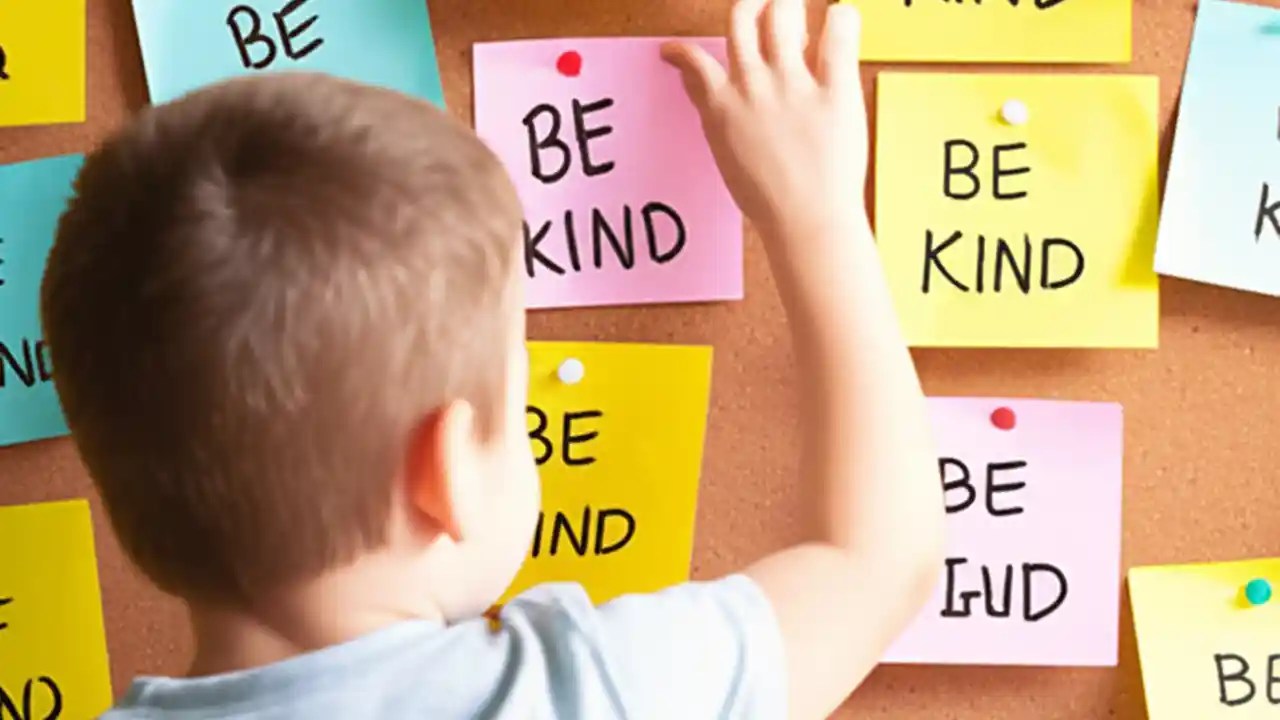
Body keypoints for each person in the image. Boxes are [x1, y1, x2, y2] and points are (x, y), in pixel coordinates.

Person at [45, 0, 942, 717]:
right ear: (446, 472)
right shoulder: (588, 689)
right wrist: (817, 213)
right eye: (519, 405)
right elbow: (877, 561)